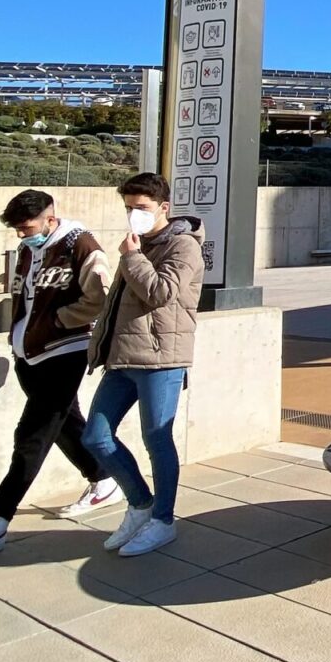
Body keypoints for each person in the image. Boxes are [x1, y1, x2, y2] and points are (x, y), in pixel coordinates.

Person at [0, 190, 119, 556]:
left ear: (50, 219)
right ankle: (103, 478)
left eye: (28, 228)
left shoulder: (81, 246)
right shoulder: (26, 250)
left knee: (31, 436)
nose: (23, 235)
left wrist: (58, 321)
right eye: (18, 230)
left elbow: (100, 298)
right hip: (29, 355)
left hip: (64, 352)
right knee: (66, 424)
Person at [83, 172, 202, 557]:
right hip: (121, 358)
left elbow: (160, 293)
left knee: (157, 439)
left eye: (142, 208)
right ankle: (140, 505)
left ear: (163, 208)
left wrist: (132, 256)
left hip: (161, 359)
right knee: (96, 437)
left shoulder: (183, 246)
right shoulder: (137, 246)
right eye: (129, 208)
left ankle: (163, 520)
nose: (134, 214)